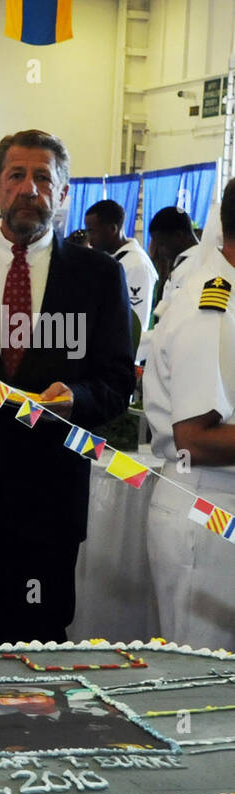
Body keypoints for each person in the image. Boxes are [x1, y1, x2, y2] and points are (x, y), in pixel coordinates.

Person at [0, 129, 135, 645]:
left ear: (62, 193)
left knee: (38, 646)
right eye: (16, 176)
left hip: (48, 502)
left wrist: (76, 398)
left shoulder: (99, 277)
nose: (29, 189)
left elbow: (118, 380)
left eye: (42, 178)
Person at [142, 177, 235, 652]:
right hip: (208, 504)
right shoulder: (212, 303)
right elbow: (194, 439)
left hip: (218, 500)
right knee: (206, 687)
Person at [85, 198, 157, 346]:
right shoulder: (107, 259)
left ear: (112, 229)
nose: (89, 240)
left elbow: (135, 326)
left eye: (92, 232)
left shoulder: (136, 265)